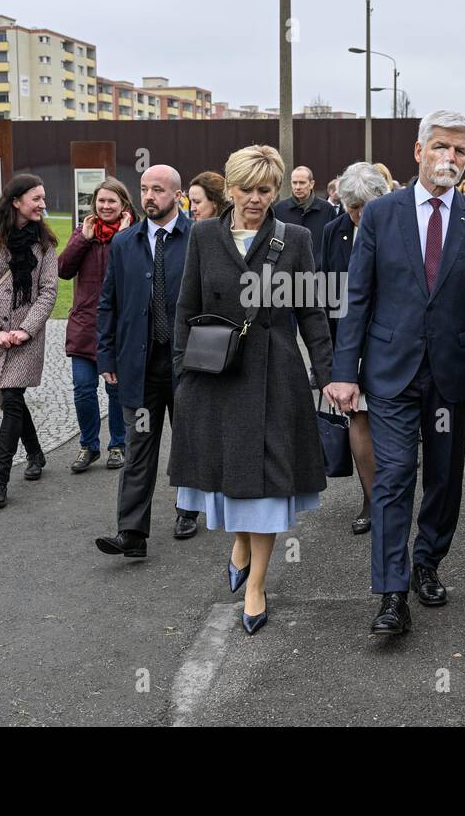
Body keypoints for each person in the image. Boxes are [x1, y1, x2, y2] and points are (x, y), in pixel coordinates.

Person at [327, 110, 465, 636]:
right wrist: (345, 371)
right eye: (440, 148)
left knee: (445, 480)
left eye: (459, 151)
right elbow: (357, 295)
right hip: (391, 376)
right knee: (394, 477)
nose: (448, 159)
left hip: (454, 379)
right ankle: (390, 592)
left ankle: (427, 562)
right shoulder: (381, 214)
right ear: (418, 151)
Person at [169, 145, 334, 635]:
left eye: (266, 190)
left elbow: (311, 313)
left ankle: (257, 585)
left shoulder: (296, 238)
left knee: (267, 486)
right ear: (230, 187)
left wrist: (328, 375)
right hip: (215, 376)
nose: (256, 199)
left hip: (274, 378)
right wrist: (182, 370)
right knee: (232, 479)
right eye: (247, 189)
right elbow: (185, 306)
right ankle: (239, 543)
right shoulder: (202, 236)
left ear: (277, 190)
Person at [94, 164, 201, 556]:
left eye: (158, 189)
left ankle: (188, 508)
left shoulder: (198, 239)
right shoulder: (125, 243)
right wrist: (106, 354)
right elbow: (109, 303)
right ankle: (132, 532)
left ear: (177, 195)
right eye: (144, 189)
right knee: (139, 445)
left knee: (188, 441)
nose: (149, 196)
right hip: (140, 367)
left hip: (187, 365)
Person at [0, 174, 60, 509]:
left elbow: (49, 292)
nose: (43, 205)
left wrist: (26, 330)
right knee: (12, 398)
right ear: (16, 201)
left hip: (25, 336)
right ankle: (35, 453)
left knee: (12, 399)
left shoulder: (45, 243)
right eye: (37, 198)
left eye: (43, 198)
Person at [320, 161, 392, 536]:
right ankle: (372, 498)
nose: (361, 214)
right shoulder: (334, 232)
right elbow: (325, 286)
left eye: (367, 205)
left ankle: (395, 492)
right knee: (358, 416)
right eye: (354, 207)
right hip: (349, 338)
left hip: (393, 339)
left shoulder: (399, 226)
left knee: (392, 420)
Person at [58, 178, 133, 473]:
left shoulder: (134, 234)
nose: (105, 206)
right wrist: (82, 239)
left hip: (118, 327)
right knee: (83, 389)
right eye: (101, 201)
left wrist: (122, 240)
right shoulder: (84, 232)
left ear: (123, 205)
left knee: (115, 390)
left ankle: (118, 445)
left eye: (111, 201)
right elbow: (63, 270)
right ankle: (89, 445)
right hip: (85, 324)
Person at [273, 165, 334, 265]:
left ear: (311, 184)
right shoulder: (279, 209)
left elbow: (332, 242)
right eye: (294, 183)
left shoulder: (327, 209)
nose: (297, 187)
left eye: (302, 183)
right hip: (286, 272)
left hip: (319, 273)